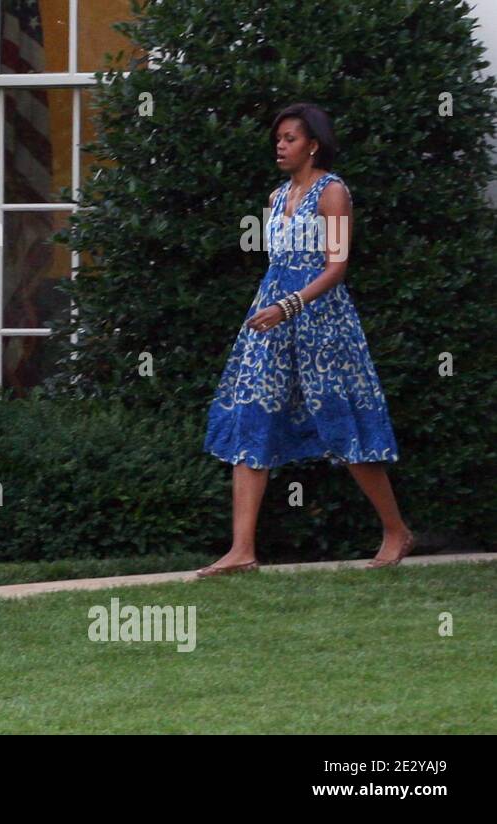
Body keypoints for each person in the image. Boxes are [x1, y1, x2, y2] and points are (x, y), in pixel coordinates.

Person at [201, 102, 414, 576]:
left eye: (290, 138)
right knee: (251, 417)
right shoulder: (275, 198)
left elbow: (336, 267)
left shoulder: (332, 191)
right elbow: (276, 263)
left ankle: (396, 530)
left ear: (313, 144)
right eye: (278, 138)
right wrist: (270, 309)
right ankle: (242, 550)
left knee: (343, 422)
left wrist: (290, 306)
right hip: (270, 319)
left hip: (321, 320)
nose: (280, 145)